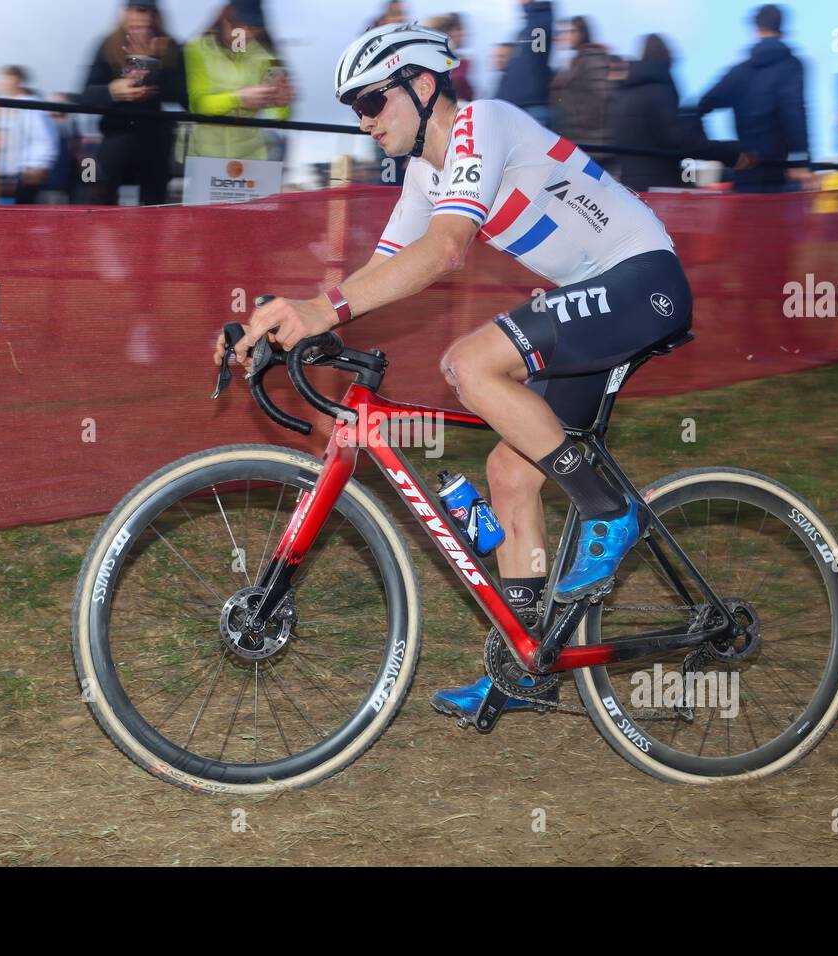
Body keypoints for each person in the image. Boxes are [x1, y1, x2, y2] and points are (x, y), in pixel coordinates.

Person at [214, 22, 700, 718]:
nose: (363, 121)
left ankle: (608, 510)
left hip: (641, 279)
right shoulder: (425, 173)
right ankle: (527, 666)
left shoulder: (481, 123)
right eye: (354, 108)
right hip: (598, 299)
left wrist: (322, 310)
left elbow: (444, 252)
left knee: (469, 363)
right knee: (507, 473)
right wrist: (285, 320)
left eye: (373, 101)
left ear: (421, 82)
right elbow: (381, 272)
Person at [80, 0, 187, 205]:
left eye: (145, 13)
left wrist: (158, 66)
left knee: (155, 202)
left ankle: (150, 234)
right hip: (117, 135)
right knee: (97, 186)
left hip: (156, 139)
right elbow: (85, 96)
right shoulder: (107, 45)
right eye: (133, 11)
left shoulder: (172, 47)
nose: (139, 18)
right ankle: (101, 233)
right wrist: (113, 91)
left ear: (156, 17)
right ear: (123, 14)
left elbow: (184, 99)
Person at [604, 34, 744, 191]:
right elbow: (679, 141)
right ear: (667, 58)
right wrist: (731, 152)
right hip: (661, 188)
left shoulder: (623, 93)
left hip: (631, 188)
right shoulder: (660, 90)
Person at [695, 4, 812, 192]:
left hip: (746, 170)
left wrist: (720, 151)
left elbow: (697, 108)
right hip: (779, 173)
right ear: (782, 28)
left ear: (756, 29)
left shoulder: (739, 72)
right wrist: (800, 161)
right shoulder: (791, 66)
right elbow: (794, 112)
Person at [183, 0, 294, 161]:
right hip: (205, 155)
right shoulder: (196, 48)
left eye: (253, 27)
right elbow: (198, 104)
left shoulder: (265, 56)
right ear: (225, 19)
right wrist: (239, 98)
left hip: (251, 158)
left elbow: (280, 116)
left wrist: (281, 101)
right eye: (241, 26)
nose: (247, 34)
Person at [0, 66, 58, 204]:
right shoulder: (4, 105)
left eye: (5, 79)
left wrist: (38, 165)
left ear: (17, 81)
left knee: (21, 216)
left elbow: (44, 137)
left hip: (25, 172)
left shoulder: (30, 105)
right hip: (5, 171)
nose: (0, 83)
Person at [549, 16, 610, 164]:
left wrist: (585, 121)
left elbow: (602, 95)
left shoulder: (592, 57)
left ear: (582, 33)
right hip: (579, 139)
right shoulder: (576, 60)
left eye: (571, 31)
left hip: (591, 140)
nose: (565, 36)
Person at [495, 0, 555, 125]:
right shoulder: (525, 31)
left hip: (532, 108)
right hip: (516, 108)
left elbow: (536, 57)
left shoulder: (540, 26)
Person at [423, 14, 474, 101]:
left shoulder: (464, 62)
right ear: (447, 33)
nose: (463, 33)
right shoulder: (434, 63)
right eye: (458, 29)